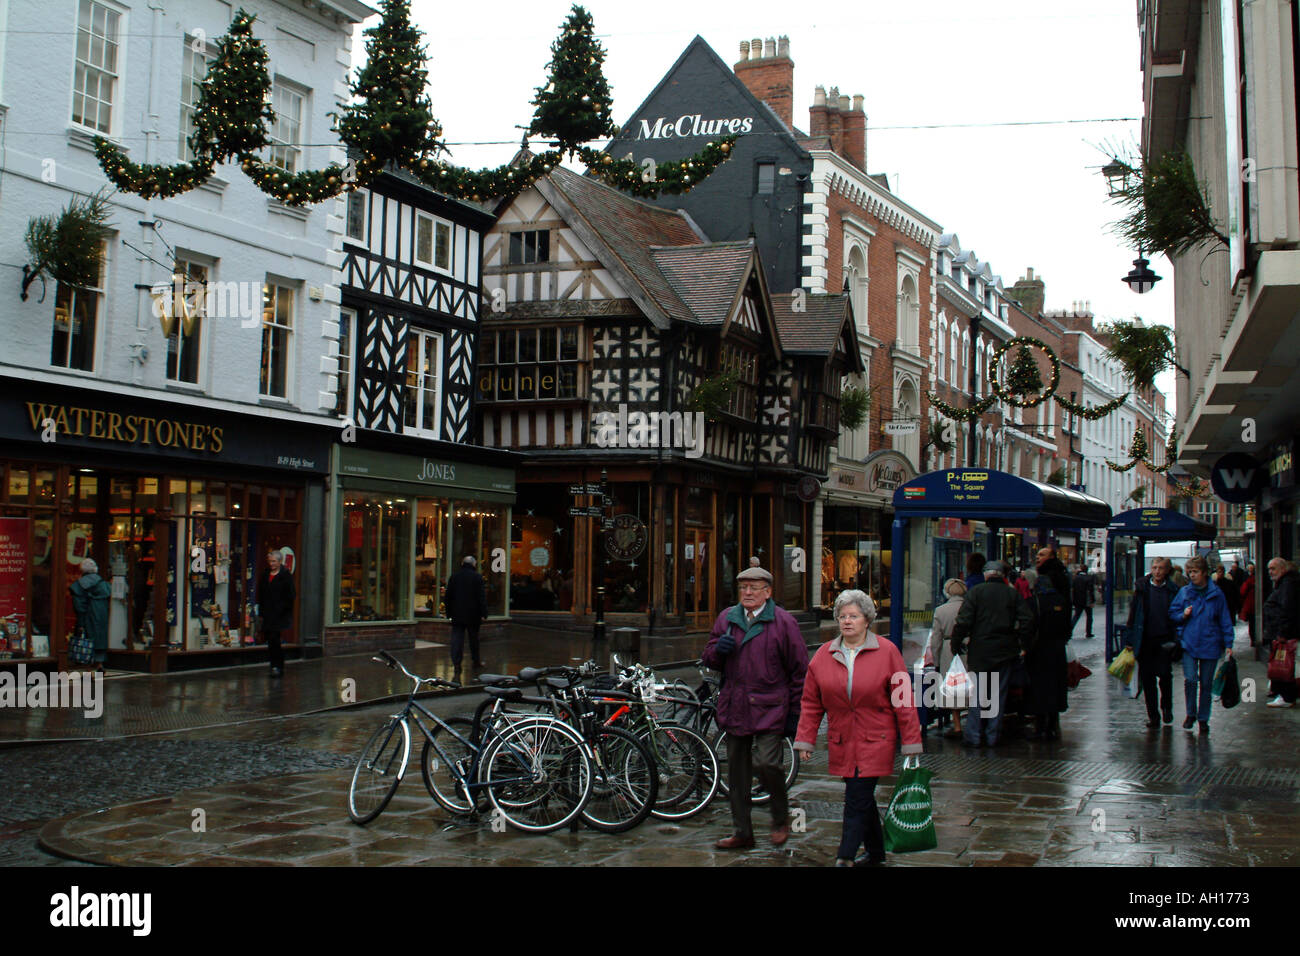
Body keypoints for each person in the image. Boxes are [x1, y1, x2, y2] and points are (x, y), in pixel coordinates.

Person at [794, 590, 922, 866]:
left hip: (876, 739)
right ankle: (876, 853)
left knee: (856, 798)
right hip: (842, 740)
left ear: (867, 619)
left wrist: (911, 742)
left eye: (853, 616)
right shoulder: (823, 655)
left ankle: (845, 856)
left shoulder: (887, 652)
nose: (847, 621)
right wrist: (805, 739)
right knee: (863, 798)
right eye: (842, 616)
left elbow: (904, 700)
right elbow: (811, 703)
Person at [701, 564, 808, 850]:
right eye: (743, 587)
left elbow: (799, 671)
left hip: (771, 707)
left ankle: (779, 816)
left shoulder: (784, 623)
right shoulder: (728, 618)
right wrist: (717, 651)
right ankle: (742, 832)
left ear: (768, 592)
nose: (747, 592)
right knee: (737, 774)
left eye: (753, 587)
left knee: (767, 763)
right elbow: (709, 658)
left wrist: (795, 714)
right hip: (736, 706)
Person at [950, 560, 1036, 748]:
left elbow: (963, 621)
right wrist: (1022, 643)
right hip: (1005, 651)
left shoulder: (975, 593)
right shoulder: (1011, 594)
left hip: (980, 651)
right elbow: (1027, 620)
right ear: (1002, 575)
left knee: (978, 695)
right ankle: (992, 736)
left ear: (986, 575)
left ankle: (973, 736)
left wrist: (956, 644)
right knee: (998, 694)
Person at [1169, 555, 1234, 734]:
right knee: (1190, 680)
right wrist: (1183, 615)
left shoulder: (1217, 594)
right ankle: (1191, 713)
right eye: (1189, 572)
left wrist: (1229, 642)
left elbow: (1225, 619)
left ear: (1205, 573)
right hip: (1189, 643)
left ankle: (1203, 718)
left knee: (1206, 683)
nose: (1191, 575)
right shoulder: (1185, 592)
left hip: (1210, 643)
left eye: (1195, 572)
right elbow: (1173, 613)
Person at [1125, 556, 1180, 728]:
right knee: (1148, 680)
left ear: (1167, 570)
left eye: (1161, 568)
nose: (1157, 571)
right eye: (1155, 567)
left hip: (1164, 639)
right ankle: (1153, 716)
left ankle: (1166, 708)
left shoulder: (1172, 590)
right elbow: (1133, 614)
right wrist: (1130, 639)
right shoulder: (1142, 588)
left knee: (1165, 676)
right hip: (1145, 639)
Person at [1025, 557, 1071, 740]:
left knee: (1038, 690)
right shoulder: (1061, 599)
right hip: (1057, 651)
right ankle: (1052, 725)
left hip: (1038, 652)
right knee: (1055, 688)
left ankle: (1040, 727)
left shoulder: (1033, 601)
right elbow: (1067, 627)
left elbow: (1028, 627)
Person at [929, 579, 966, 739]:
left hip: (948, 649)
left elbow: (935, 639)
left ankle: (957, 725)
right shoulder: (971, 607)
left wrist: (935, 662)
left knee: (953, 689)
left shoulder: (941, 610)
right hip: (969, 647)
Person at [1263, 557, 1299, 707]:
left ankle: (1286, 696)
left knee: (1285, 665)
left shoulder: (1288, 584)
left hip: (1286, 634)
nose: (1270, 572)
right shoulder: (1285, 583)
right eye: (1269, 569)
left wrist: (1283, 633)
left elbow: (1287, 609)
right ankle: (1284, 694)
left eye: (1273, 569)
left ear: (1283, 569)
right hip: (1284, 631)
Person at [445, 555, 488, 675]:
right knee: (474, 639)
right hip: (473, 614)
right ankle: (476, 661)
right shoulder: (477, 577)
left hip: (457, 613)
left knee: (457, 639)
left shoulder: (454, 577)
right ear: (474, 564)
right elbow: (481, 597)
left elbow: (448, 597)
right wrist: (484, 612)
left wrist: (448, 613)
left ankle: (457, 663)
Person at [257, 548, 295, 678]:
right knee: (270, 641)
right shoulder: (265, 574)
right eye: (270, 561)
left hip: (279, 614)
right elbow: (261, 593)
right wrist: (261, 610)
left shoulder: (285, 575)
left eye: (274, 561)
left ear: (280, 561)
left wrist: (283, 609)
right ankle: (273, 665)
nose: (271, 564)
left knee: (275, 639)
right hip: (267, 613)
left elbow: (291, 595)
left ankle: (277, 666)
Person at [69, 558, 111, 672]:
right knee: (100, 638)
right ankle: (99, 663)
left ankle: (88, 667)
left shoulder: (79, 585)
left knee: (87, 640)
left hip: (88, 616)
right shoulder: (103, 584)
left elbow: (79, 606)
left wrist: (81, 622)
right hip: (102, 616)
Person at [1070, 564, 1096, 639]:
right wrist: (1092, 601)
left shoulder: (1076, 578)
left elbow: (1073, 591)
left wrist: (1073, 601)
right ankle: (1088, 632)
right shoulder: (1089, 578)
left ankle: (1069, 631)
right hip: (1087, 601)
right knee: (1089, 617)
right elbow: (1090, 591)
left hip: (1078, 601)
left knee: (1076, 616)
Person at [1240, 563, 1258, 657]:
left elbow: (1242, 591)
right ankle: (1254, 639)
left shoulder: (1249, 580)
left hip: (1251, 605)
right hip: (1254, 605)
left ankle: (1253, 639)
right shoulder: (1254, 580)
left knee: (1252, 623)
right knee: (1254, 623)